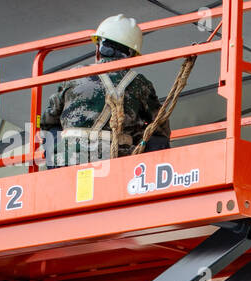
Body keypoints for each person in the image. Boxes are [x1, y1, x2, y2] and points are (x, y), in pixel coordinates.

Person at [40, 14, 169, 167]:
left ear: (98, 49)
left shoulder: (74, 75)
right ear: (132, 56)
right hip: (117, 163)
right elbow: (161, 129)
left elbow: (47, 122)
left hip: (67, 161)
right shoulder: (139, 83)